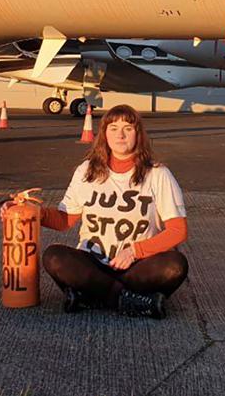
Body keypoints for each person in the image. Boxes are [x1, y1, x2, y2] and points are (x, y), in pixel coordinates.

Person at [28, 105, 189, 319]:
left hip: (137, 266)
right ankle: (131, 300)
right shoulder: (86, 171)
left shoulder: (158, 174)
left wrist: (135, 251)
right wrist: (30, 212)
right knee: (54, 257)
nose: (120, 134)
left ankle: (90, 297)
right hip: (94, 264)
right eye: (113, 128)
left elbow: (178, 231)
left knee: (175, 265)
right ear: (104, 134)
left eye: (128, 128)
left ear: (138, 134)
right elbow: (65, 219)